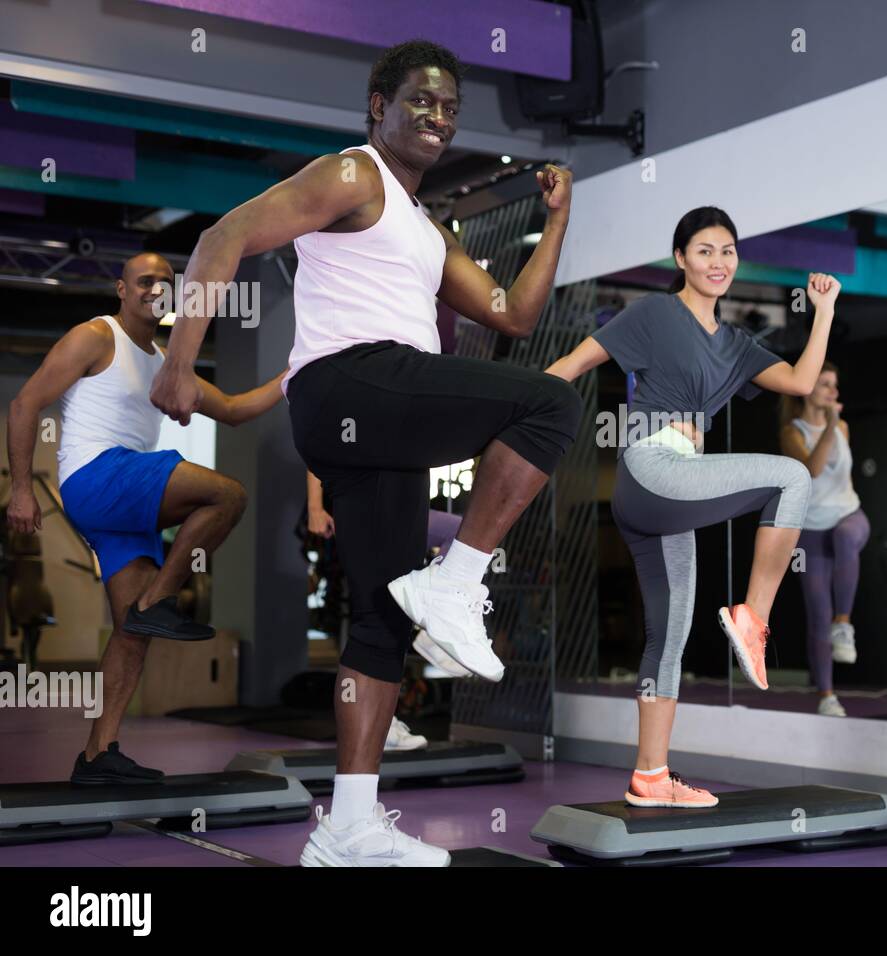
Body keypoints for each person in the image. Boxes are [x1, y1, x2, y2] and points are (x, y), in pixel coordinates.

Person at [150, 40, 581, 866]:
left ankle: (347, 825)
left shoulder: (424, 227)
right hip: (354, 385)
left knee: (381, 619)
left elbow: (515, 315)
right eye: (420, 100)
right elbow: (224, 234)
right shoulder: (353, 175)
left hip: (370, 418)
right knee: (550, 402)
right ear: (376, 108)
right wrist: (179, 359)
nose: (437, 116)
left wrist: (557, 221)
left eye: (449, 106)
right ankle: (457, 582)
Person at [547, 206, 835, 807]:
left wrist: (825, 311)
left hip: (665, 498)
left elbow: (804, 383)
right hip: (654, 468)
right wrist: (515, 414)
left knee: (668, 636)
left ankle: (650, 776)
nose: (718, 262)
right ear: (681, 259)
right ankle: (753, 618)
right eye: (704, 250)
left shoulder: (736, 344)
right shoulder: (654, 313)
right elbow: (572, 366)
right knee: (790, 477)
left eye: (727, 251)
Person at [5, 252, 284, 784]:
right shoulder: (96, 336)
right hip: (97, 475)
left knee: (132, 631)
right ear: (121, 289)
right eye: (144, 280)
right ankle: (161, 600)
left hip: (120, 507)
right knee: (227, 496)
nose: (155, 288)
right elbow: (24, 404)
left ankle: (97, 754)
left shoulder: (165, 364)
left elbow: (233, 409)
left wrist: (295, 375)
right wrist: (22, 489)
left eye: (165, 282)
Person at [306, 468, 468, 750]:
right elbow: (315, 453)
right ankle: (384, 723)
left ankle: (432, 622)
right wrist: (315, 508)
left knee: (461, 533)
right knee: (381, 620)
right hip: (362, 512)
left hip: (400, 510)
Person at [778, 362, 870, 716]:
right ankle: (827, 696)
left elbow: (840, 477)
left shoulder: (843, 426)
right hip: (811, 528)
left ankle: (844, 625)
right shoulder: (794, 433)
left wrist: (835, 426)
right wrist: (830, 427)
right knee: (817, 612)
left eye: (835, 385)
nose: (833, 392)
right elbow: (813, 470)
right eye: (825, 384)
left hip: (849, 515)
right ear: (806, 388)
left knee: (846, 537)